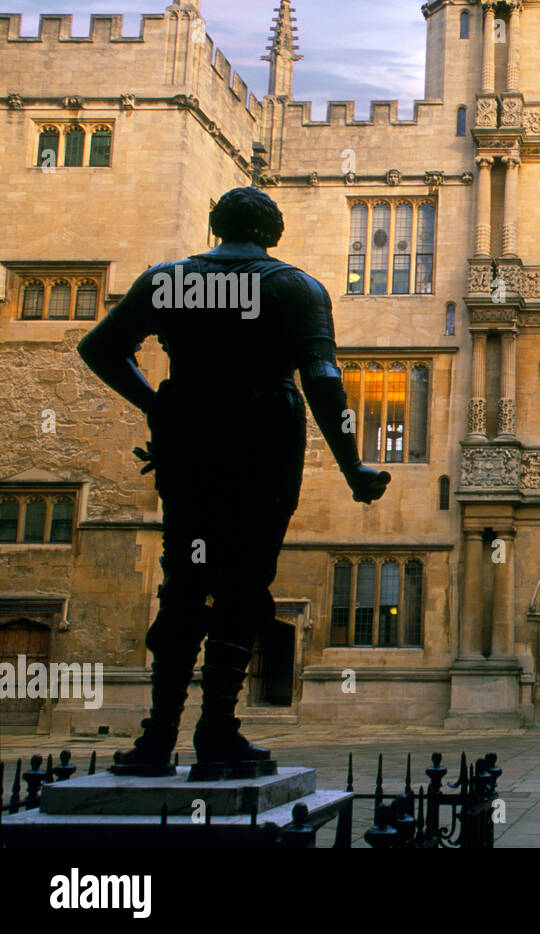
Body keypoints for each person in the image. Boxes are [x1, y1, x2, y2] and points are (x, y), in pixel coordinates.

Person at [78, 187, 390, 777]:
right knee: (246, 583)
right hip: (263, 436)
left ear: (216, 225)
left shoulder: (168, 280)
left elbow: (99, 348)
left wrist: (156, 406)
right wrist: (352, 464)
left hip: (189, 437)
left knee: (183, 581)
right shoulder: (295, 287)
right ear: (272, 232)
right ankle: (217, 730)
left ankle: (155, 737)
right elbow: (322, 377)